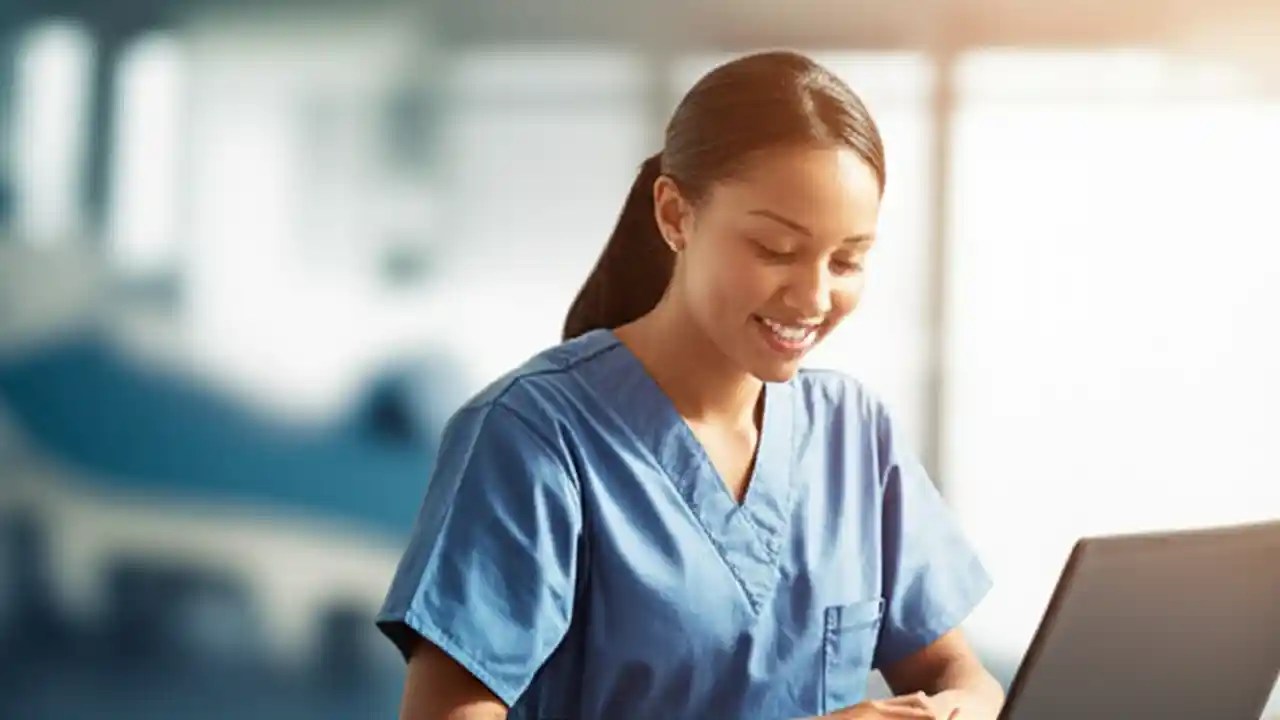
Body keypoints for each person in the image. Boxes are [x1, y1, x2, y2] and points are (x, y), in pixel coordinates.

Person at [376, 50, 1005, 720]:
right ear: (676, 215)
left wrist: (956, 709)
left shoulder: (854, 433)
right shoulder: (534, 436)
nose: (814, 296)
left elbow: (957, 670)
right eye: (775, 250)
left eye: (847, 259)